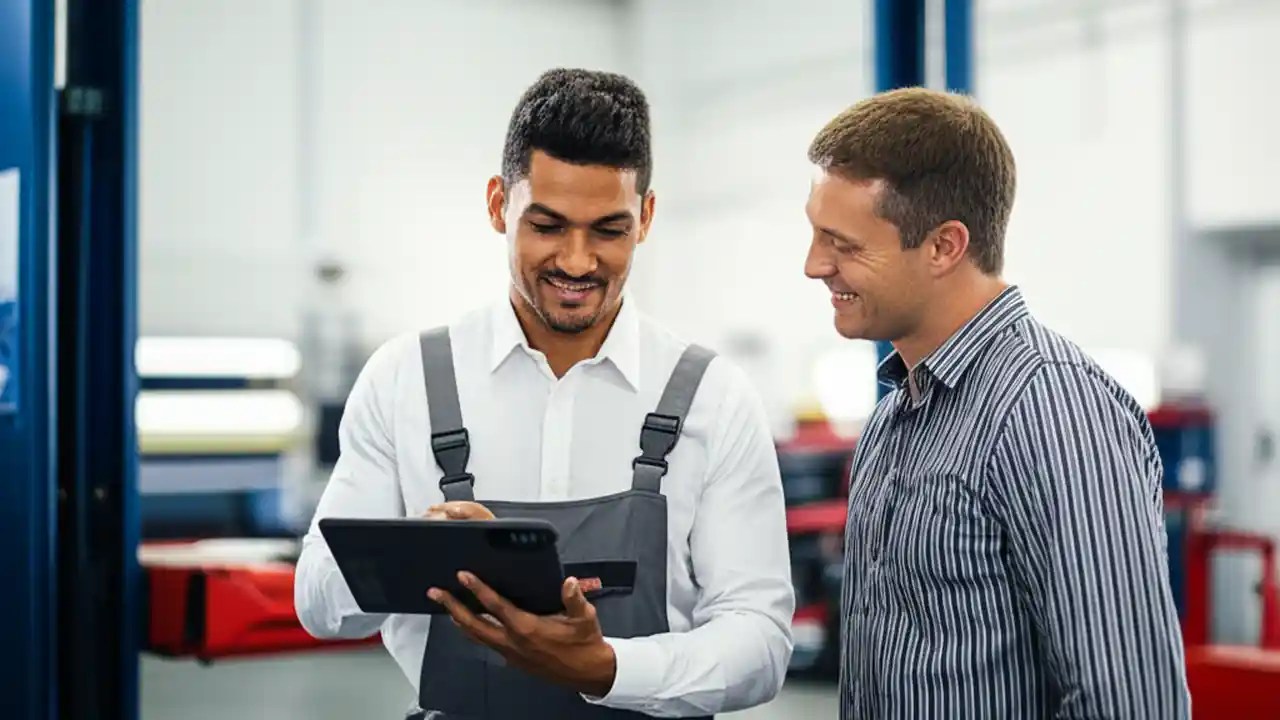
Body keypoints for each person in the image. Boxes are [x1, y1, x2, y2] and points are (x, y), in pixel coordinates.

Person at [295, 68, 795, 719]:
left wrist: (608, 668)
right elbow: (320, 605)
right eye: (549, 225)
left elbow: (760, 640)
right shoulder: (404, 380)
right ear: (499, 204)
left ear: (645, 217)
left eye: (609, 230)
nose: (578, 261)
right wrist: (423, 554)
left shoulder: (714, 398)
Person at [802, 87, 1191, 719]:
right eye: (816, 234)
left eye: (843, 243)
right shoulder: (898, 413)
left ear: (944, 247)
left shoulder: (1050, 411)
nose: (814, 265)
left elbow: (1131, 702)